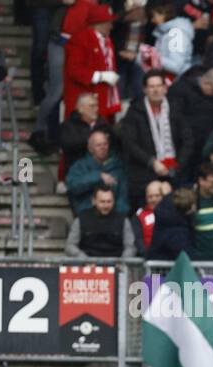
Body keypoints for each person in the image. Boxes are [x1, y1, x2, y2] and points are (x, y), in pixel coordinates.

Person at [117, 70, 193, 213]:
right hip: (144, 172)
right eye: (151, 87)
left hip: (175, 170)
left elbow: (187, 140)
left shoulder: (175, 108)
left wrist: (178, 164)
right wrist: (152, 162)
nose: (156, 90)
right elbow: (130, 143)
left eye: (159, 86)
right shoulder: (135, 111)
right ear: (145, 89)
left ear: (165, 88)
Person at [65, 130, 130, 216]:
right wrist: (98, 177)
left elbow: (123, 198)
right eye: (98, 145)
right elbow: (73, 186)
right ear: (90, 148)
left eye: (105, 144)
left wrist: (116, 216)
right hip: (86, 217)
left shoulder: (118, 167)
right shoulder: (80, 166)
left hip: (113, 220)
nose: (103, 147)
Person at [65, 186, 137, 257]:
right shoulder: (81, 219)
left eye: (109, 201)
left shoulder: (123, 220)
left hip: (117, 264)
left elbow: (130, 247)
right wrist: (84, 260)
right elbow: (70, 246)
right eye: (102, 202)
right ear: (94, 201)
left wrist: (122, 262)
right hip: (87, 265)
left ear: (114, 201)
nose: (106, 205)